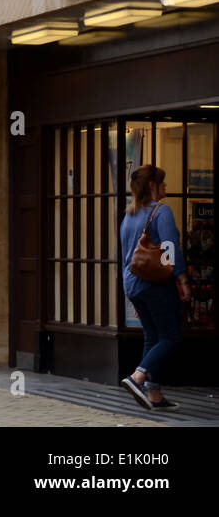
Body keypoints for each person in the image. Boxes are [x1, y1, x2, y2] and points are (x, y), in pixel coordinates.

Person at [119, 164, 191, 412]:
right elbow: (170, 248)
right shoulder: (162, 211)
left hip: (132, 285)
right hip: (155, 285)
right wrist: (182, 279)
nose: (166, 187)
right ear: (152, 186)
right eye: (163, 183)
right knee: (171, 336)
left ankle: (156, 396)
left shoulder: (129, 215)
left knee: (152, 336)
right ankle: (137, 377)